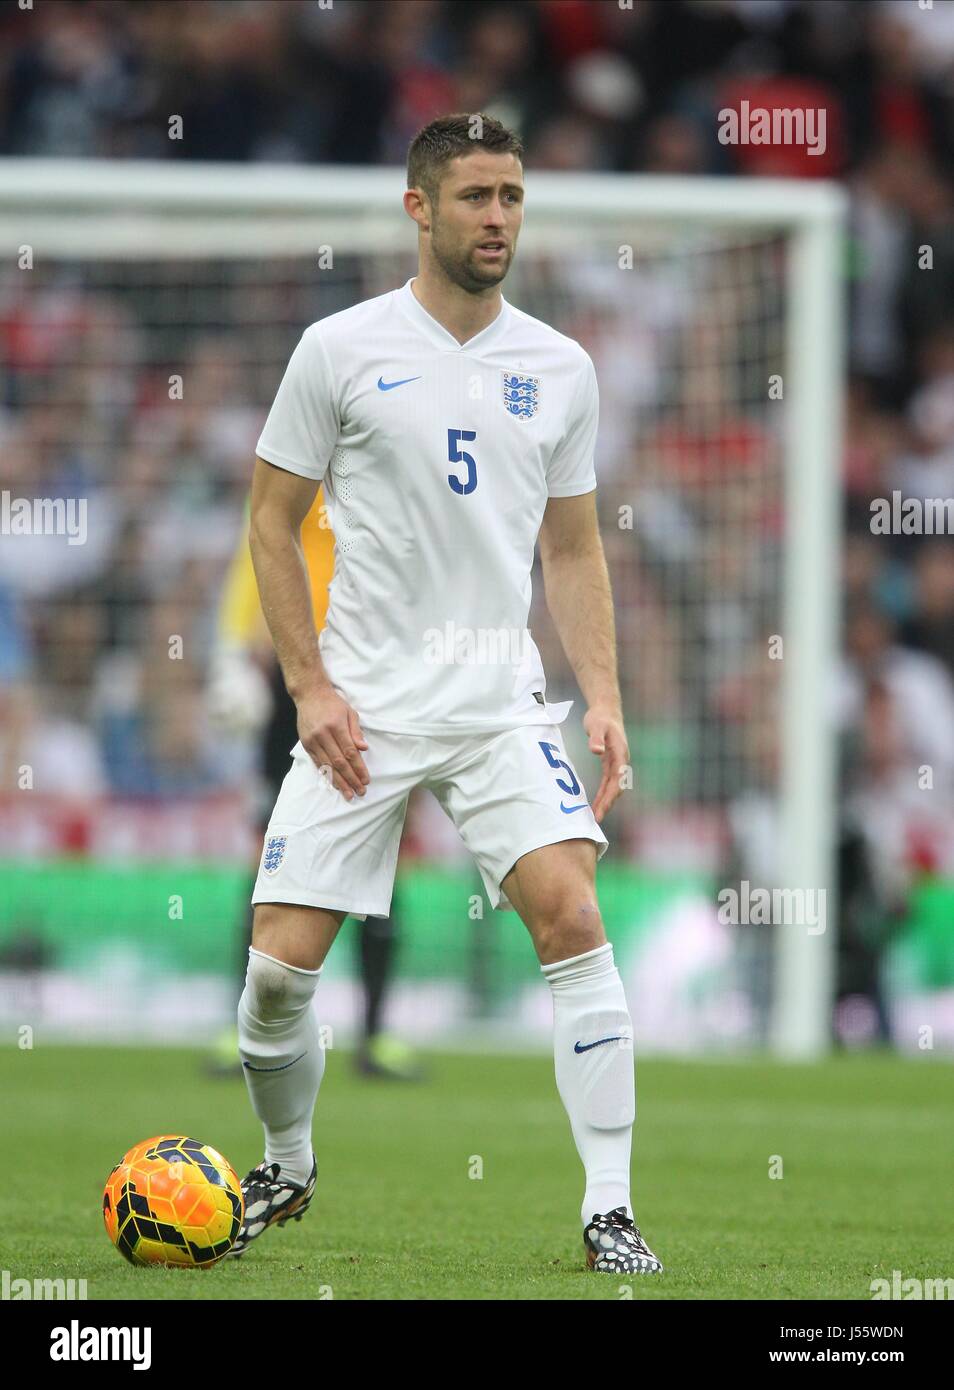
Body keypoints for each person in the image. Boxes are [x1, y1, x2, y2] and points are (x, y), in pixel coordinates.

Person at [231, 112, 662, 1276]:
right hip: (363, 703)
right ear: (418, 208)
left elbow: (573, 550)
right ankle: (288, 1162)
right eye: (475, 197)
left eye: (513, 196)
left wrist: (604, 696)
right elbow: (270, 520)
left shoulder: (559, 369)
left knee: (571, 909)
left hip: (498, 703)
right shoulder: (339, 348)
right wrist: (309, 686)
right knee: (276, 970)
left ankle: (610, 1208)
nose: (498, 219)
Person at [205, 492, 421, 1081]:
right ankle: (242, 1023)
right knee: (268, 846)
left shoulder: (385, 450)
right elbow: (257, 544)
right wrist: (231, 652)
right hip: (291, 673)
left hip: (371, 674)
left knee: (381, 846)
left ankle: (374, 1033)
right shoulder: (299, 452)